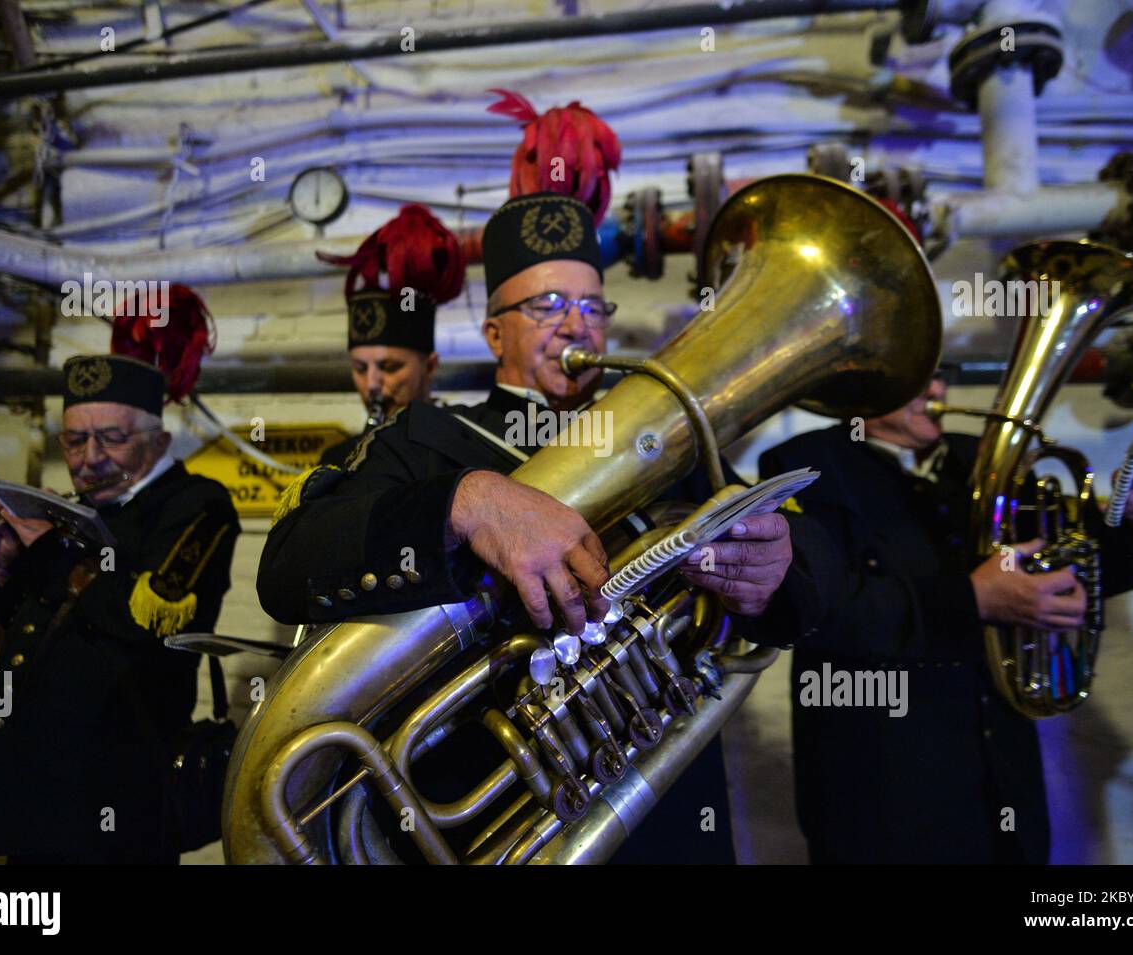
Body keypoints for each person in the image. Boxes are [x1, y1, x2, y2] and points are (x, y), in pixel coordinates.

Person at [259, 192, 812, 863]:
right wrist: (466, 500)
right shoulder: (427, 441)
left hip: (670, 827)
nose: (576, 326)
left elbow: (815, 582)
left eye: (591, 306)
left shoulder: (674, 445)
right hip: (499, 833)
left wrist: (774, 573)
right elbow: (288, 565)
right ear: (495, 333)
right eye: (547, 306)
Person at [757, 370, 1133, 864]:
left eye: (938, 377)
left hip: (1003, 785)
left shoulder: (983, 460)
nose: (936, 390)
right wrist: (970, 600)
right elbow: (814, 610)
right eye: (914, 377)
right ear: (865, 391)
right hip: (880, 794)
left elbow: (1070, 562)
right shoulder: (805, 465)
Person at [0, 354, 240, 864]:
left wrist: (52, 550)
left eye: (113, 438)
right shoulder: (79, 509)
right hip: (37, 782)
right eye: (74, 440)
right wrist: (6, 565)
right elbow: (40, 627)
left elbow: (147, 620)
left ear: (159, 441)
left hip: (120, 793)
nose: (90, 459)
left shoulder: (196, 504)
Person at [316, 204, 465, 465]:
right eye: (360, 368)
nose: (372, 384)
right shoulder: (336, 460)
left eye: (390, 366)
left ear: (430, 367)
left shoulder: (461, 447)